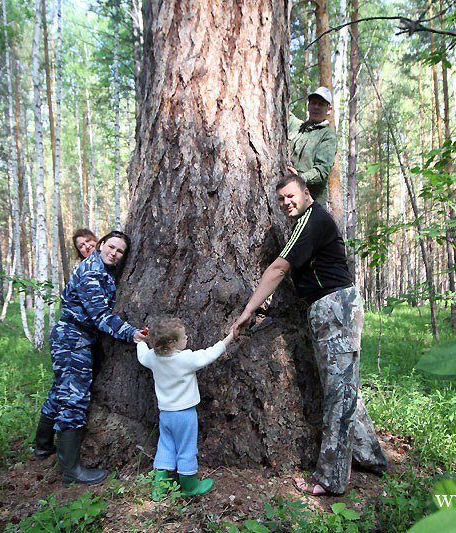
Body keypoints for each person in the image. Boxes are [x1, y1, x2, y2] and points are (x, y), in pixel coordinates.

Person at [230, 174, 387, 496]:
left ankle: (330, 479)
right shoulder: (309, 221)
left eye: (291, 196)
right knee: (342, 389)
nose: (287, 203)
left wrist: (248, 310)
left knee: (337, 394)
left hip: (335, 307)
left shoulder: (312, 219)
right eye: (281, 200)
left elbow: (276, 269)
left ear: (306, 193)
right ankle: (371, 456)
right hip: (329, 308)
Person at [32, 230, 148, 485]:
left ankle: (42, 446)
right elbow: (101, 316)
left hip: (77, 339)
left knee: (60, 392)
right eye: (111, 247)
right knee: (74, 399)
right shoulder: (91, 273)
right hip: (73, 340)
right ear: (102, 245)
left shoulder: (103, 270)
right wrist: (132, 334)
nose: (114, 253)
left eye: (120, 251)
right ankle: (70, 470)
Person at [136, 316, 235, 500]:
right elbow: (210, 354)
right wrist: (229, 337)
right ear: (173, 343)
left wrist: (140, 342)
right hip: (185, 415)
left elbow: (142, 356)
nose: (187, 337)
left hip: (165, 414)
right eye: (184, 336)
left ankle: (160, 486)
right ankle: (189, 484)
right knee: (186, 448)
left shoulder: (153, 357)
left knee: (166, 446)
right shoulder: (186, 359)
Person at [288, 86, 337, 206]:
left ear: (328, 109)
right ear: (308, 106)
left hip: (311, 202)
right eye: (313, 103)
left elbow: (322, 170)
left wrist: (300, 178)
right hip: (288, 197)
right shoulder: (297, 126)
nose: (316, 107)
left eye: (321, 104)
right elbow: (280, 108)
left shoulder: (328, 136)